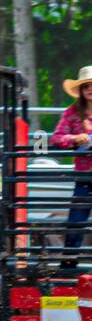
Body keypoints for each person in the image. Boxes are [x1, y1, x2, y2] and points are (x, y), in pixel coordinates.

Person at [52, 65, 92, 272]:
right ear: (81, 90)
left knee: (77, 219)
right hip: (85, 176)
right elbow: (56, 138)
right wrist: (75, 138)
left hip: (85, 176)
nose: (90, 89)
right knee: (76, 222)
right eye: (86, 86)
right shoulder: (72, 113)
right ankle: (68, 266)